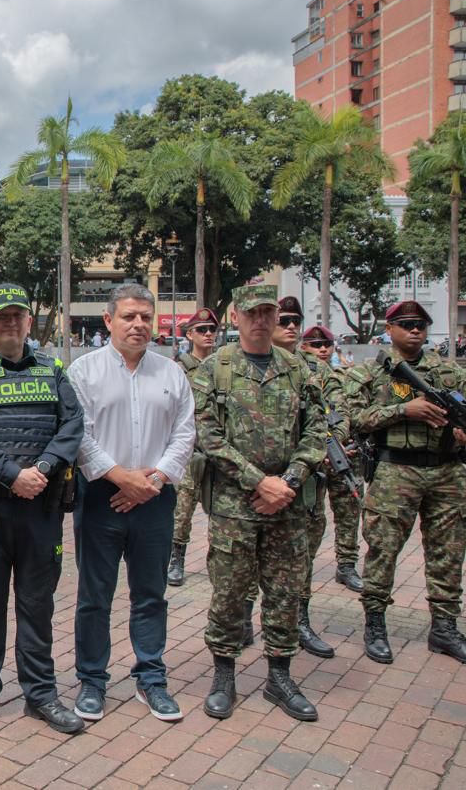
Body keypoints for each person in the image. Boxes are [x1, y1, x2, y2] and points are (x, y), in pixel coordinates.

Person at [0, 283, 85, 736]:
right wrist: (11, 474)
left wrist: (41, 469)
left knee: (37, 605)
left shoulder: (53, 368)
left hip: (41, 509)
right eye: (2, 316)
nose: (10, 323)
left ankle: (41, 694)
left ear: (28, 321)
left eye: (17, 316)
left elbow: (72, 424)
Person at [194, 284, 325, 723]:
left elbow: (317, 430)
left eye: (269, 313)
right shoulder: (215, 369)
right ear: (236, 317)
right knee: (230, 592)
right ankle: (224, 675)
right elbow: (208, 436)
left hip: (286, 504)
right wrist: (258, 482)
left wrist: (288, 481)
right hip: (235, 504)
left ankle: (279, 677)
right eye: (252, 313)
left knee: (285, 592)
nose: (262, 321)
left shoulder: (298, 369)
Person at [67, 285, 195, 724]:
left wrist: (153, 480)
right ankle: (92, 680)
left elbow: (185, 433)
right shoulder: (84, 371)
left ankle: (151, 677)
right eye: (128, 316)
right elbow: (78, 434)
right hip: (101, 496)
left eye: (145, 316)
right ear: (108, 321)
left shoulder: (171, 373)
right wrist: (121, 476)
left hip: (156, 498)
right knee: (94, 596)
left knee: (150, 595)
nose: (138, 324)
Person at [343, 301, 466, 667]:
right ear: (389, 329)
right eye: (406, 324)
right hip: (395, 470)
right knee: (383, 548)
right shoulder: (370, 372)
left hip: (446, 469)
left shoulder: (447, 371)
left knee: (449, 550)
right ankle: (375, 623)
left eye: (421, 323)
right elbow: (352, 418)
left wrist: (465, 430)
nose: (415, 330)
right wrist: (404, 410)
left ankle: (445, 627)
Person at [265, 301, 351, 661]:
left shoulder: (317, 370)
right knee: (244, 558)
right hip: (258, 483)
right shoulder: (242, 365)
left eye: (295, 321)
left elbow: (341, 415)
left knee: (302, 558)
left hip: (305, 483)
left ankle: (298, 621)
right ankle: (242, 622)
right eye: (283, 320)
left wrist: (328, 443)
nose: (290, 326)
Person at [300, 324, 364, 595]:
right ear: (304, 347)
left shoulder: (341, 376)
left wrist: (338, 440)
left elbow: (346, 413)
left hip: (341, 452)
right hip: (313, 456)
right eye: (316, 345)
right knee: (311, 515)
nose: (323, 349)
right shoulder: (299, 371)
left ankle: (346, 564)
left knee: (348, 510)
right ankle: (302, 568)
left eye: (326, 344)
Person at [168, 308, 218, 587]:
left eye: (212, 330)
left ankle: (219, 561)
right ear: (189, 335)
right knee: (183, 509)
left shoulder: (225, 366)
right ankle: (176, 559)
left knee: (220, 509)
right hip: (189, 450)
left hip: (218, 449)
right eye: (202, 330)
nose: (208, 334)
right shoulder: (179, 368)